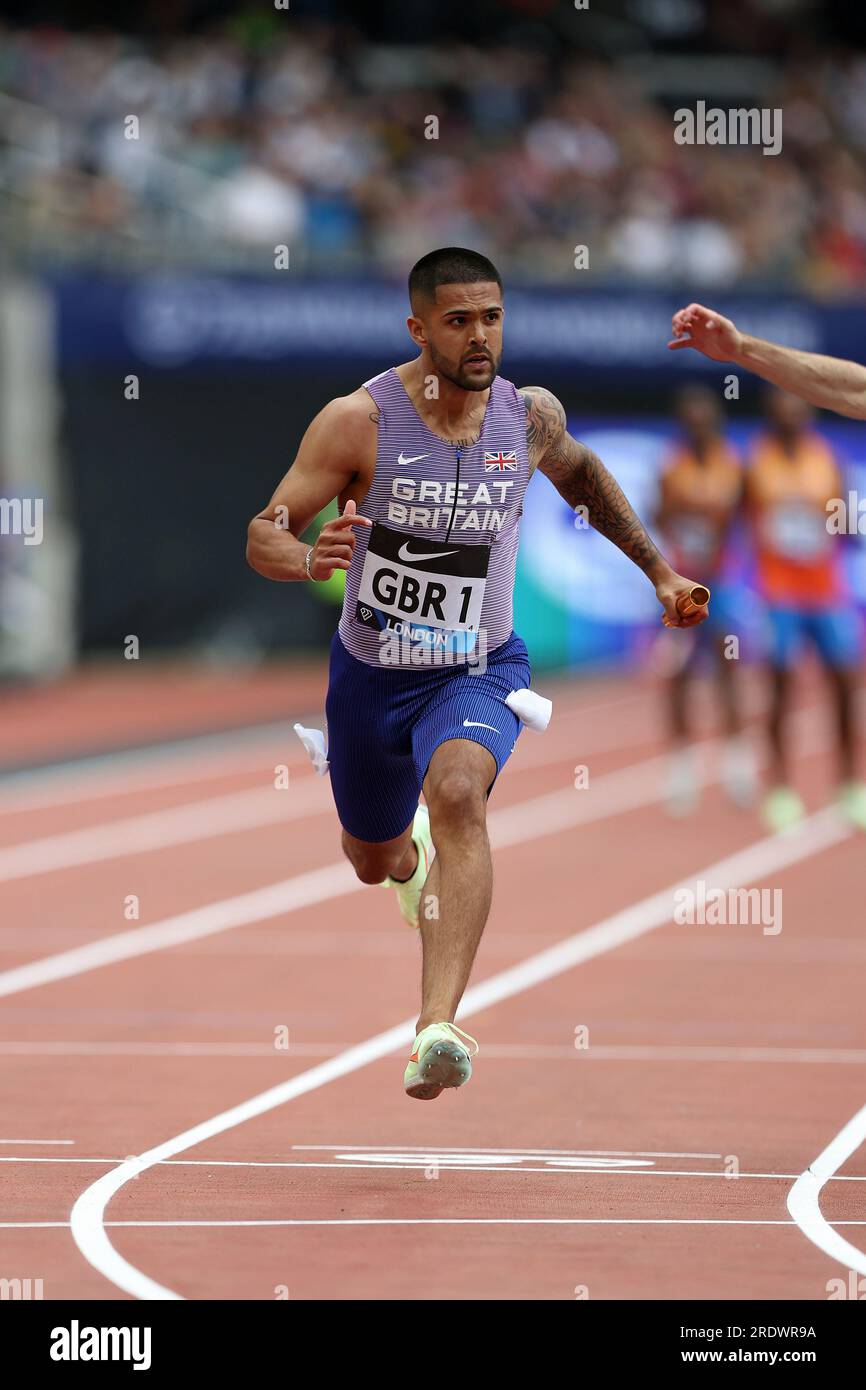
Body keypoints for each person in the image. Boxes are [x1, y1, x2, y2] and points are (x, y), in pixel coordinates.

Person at [246, 247, 707, 1102]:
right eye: (458, 320)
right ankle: (401, 854)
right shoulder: (358, 422)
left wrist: (660, 572)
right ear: (419, 329)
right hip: (372, 678)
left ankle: (436, 1029)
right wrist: (310, 561)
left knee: (458, 791)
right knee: (371, 855)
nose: (479, 335)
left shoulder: (527, 416)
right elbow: (263, 533)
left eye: (490, 316)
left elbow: (584, 478)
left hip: (479, 664)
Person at [669, 304, 866, 830]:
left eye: (799, 407)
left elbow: (847, 521)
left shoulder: (829, 458)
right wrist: (700, 576)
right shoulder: (753, 463)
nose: (791, 412)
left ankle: (852, 784)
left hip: (827, 591)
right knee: (776, 684)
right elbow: (728, 522)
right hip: (776, 591)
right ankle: (779, 785)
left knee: (845, 683)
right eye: (783, 405)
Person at [656, 386, 755, 814]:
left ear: (714, 424)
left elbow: (743, 519)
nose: (697, 427)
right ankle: (683, 766)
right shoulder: (671, 468)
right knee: (677, 672)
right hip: (681, 582)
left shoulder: (733, 466)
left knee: (727, 667)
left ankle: (736, 761)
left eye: (704, 420)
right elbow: (657, 515)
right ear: (683, 426)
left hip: (724, 584)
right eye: (690, 421)